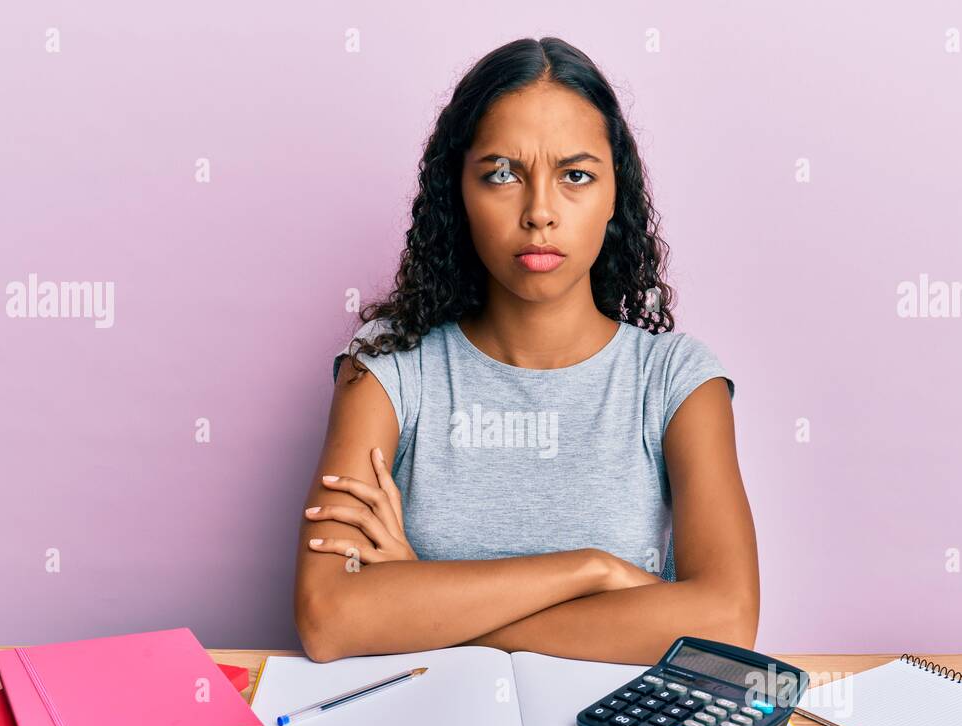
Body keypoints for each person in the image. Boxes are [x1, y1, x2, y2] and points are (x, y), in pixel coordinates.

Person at [294, 37, 758, 665]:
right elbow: (329, 617)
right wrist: (590, 571)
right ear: (458, 190)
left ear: (615, 192)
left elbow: (725, 624)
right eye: (502, 174)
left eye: (576, 176)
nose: (540, 212)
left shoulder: (677, 381)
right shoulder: (389, 365)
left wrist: (420, 609)